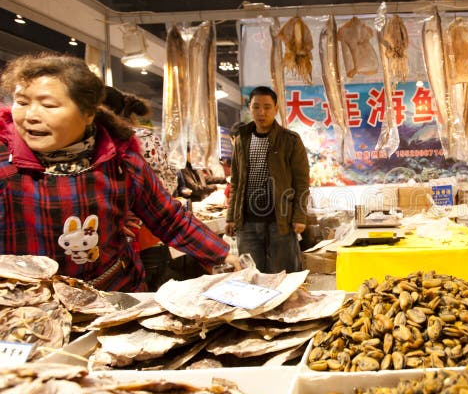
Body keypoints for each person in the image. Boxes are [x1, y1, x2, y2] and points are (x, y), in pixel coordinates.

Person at [0, 53, 240, 291]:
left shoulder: (121, 161)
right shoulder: (4, 163)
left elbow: (167, 217)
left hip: (112, 297)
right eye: (21, 102)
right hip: (27, 306)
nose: (30, 115)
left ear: (88, 113)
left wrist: (219, 254)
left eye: (48, 105)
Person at [226, 86, 310, 273]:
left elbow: (302, 182)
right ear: (249, 108)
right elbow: (236, 181)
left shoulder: (290, 140)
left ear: (276, 109)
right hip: (247, 224)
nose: (261, 112)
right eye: (256, 107)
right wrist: (231, 216)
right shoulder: (242, 139)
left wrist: (299, 216)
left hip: (280, 221)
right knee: (251, 276)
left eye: (267, 107)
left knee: (284, 274)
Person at [103, 86, 178, 289]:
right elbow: (168, 181)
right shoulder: (146, 137)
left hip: (114, 238)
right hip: (149, 229)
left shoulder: (103, 142)